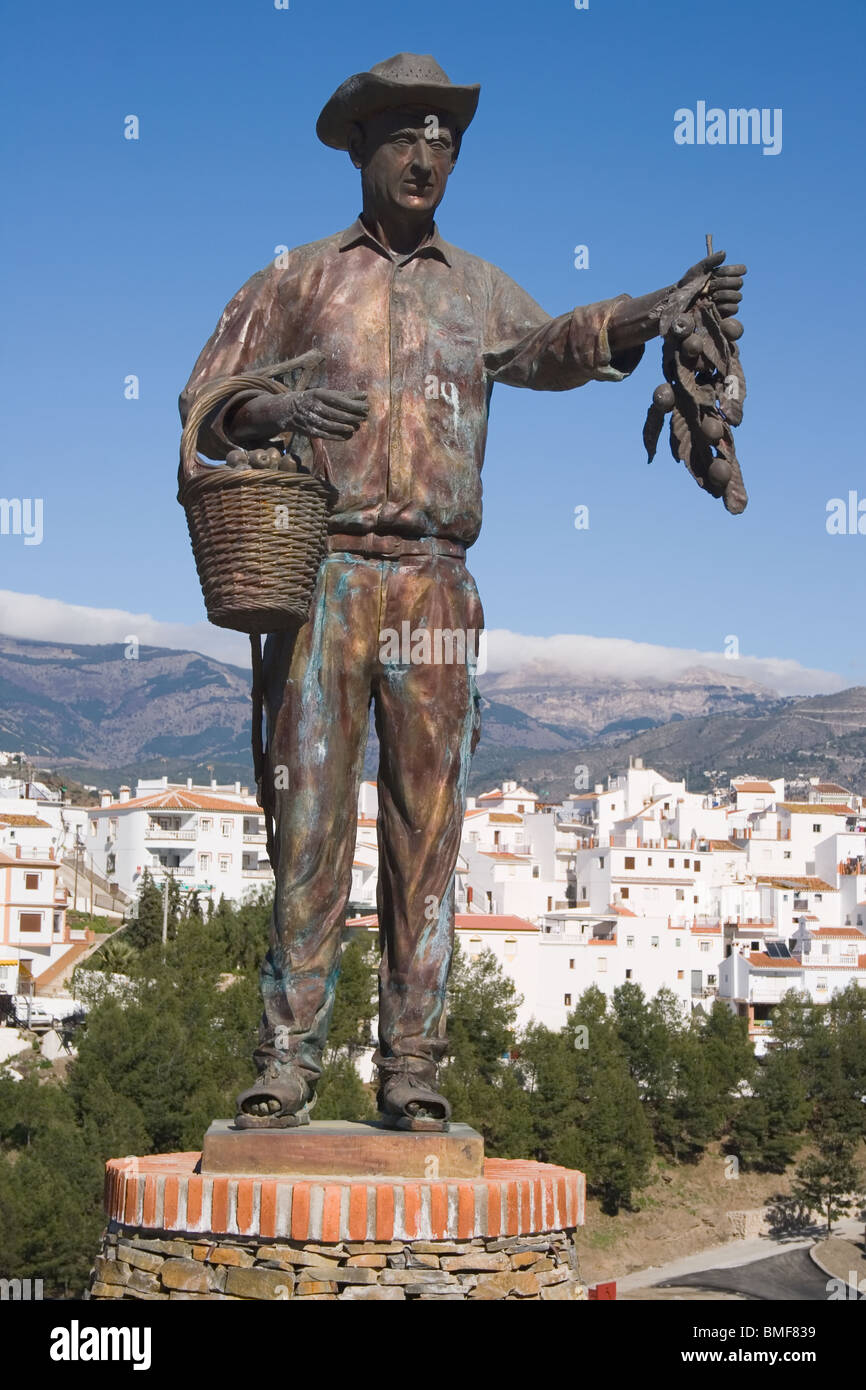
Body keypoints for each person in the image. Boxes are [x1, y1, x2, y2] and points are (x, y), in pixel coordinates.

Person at [179, 53, 746, 1131]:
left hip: (435, 586)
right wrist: (273, 414)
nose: (428, 154)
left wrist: (648, 312)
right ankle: (286, 1053)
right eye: (407, 134)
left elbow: (550, 346)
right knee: (307, 819)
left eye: (445, 139)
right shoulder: (293, 281)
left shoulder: (472, 286)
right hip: (325, 575)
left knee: (426, 823)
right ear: (360, 146)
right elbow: (208, 400)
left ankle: (411, 1062)